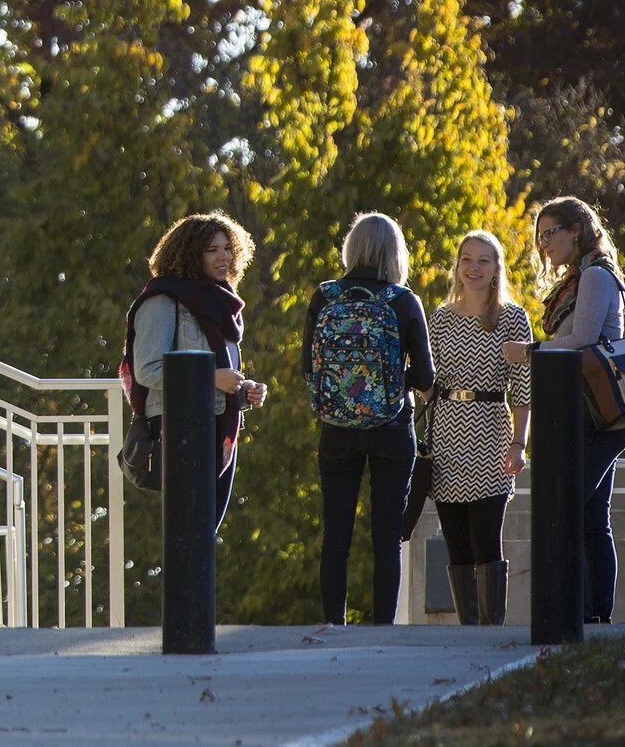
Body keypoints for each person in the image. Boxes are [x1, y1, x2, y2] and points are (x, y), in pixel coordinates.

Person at [302, 211, 434, 628]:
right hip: (392, 429)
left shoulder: (325, 296)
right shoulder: (402, 300)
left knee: (335, 536)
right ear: (396, 253)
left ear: (351, 248)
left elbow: (308, 366)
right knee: (386, 538)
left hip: (336, 430)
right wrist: (392, 381)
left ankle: (332, 625)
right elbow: (425, 376)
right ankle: (382, 629)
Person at [503, 196, 625, 623]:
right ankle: (595, 617)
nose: (543, 244)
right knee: (593, 517)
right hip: (587, 411)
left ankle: (581, 614)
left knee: (570, 509)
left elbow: (583, 339)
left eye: (549, 233)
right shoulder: (579, 277)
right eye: (539, 237)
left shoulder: (596, 274)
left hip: (601, 413)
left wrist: (530, 351)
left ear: (575, 230)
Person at [125, 212, 267, 531]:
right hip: (181, 426)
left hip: (218, 425)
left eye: (227, 248)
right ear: (190, 254)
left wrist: (243, 393)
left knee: (205, 533)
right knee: (189, 535)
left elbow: (221, 375)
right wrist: (211, 378)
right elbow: (147, 370)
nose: (224, 257)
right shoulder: (162, 300)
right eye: (212, 250)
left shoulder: (221, 305)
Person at [427, 230, 533, 624]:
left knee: (487, 540)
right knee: (456, 546)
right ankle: (467, 632)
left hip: (491, 434)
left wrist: (519, 444)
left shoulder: (512, 317)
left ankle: (492, 632)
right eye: (466, 259)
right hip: (445, 434)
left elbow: (523, 388)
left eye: (483, 260)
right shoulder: (439, 318)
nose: (473, 267)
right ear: (457, 267)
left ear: (495, 269)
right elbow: (428, 382)